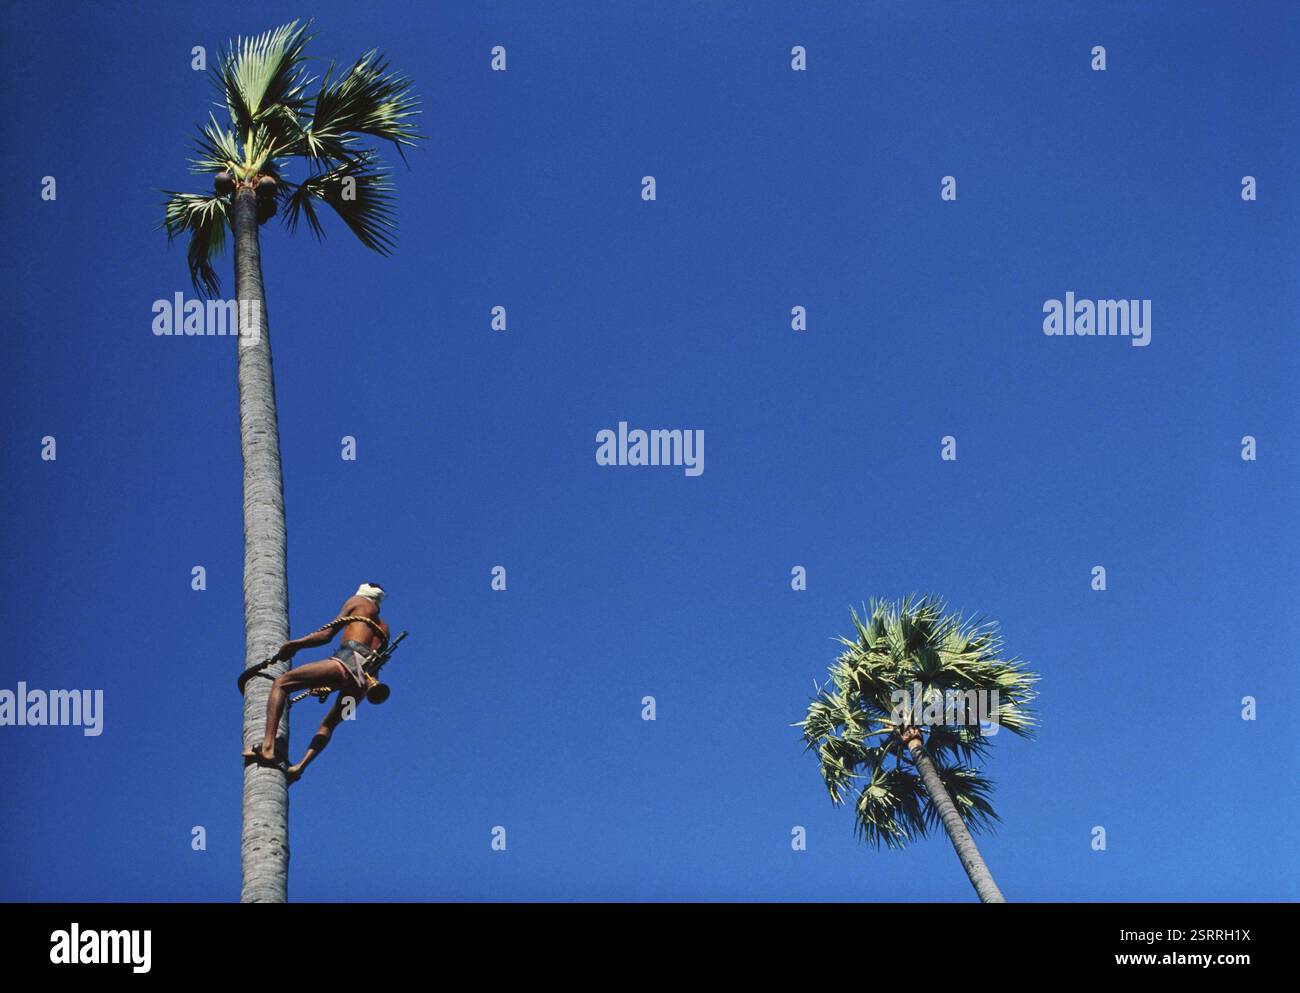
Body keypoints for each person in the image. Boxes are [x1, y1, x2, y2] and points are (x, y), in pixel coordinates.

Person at [242, 582, 390, 784]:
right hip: (363, 685)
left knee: (282, 683)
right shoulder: (385, 628)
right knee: (329, 725)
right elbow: (375, 665)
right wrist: (331, 686)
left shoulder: (358, 602)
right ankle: (300, 767)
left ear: (363, 593)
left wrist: (295, 645)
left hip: (344, 663)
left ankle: (267, 746)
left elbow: (326, 636)